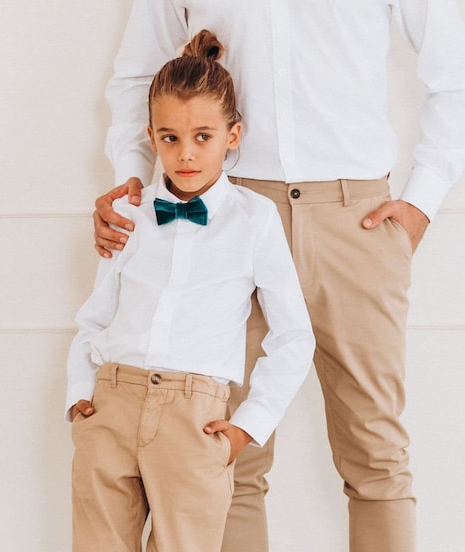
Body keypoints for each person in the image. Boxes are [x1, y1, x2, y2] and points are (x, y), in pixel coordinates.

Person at [93, 0, 465, 552]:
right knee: (223, 450)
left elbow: (456, 80)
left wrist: (416, 206)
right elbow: (137, 76)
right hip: (226, 214)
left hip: (359, 218)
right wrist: (135, 183)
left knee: (376, 451)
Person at [67, 30, 314, 552]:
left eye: (203, 136)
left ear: (233, 135)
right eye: (170, 137)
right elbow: (95, 317)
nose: (185, 154)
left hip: (193, 419)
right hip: (112, 402)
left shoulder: (254, 220)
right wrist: (81, 399)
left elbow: (295, 336)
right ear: (152, 137)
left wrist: (246, 428)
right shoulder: (129, 214)